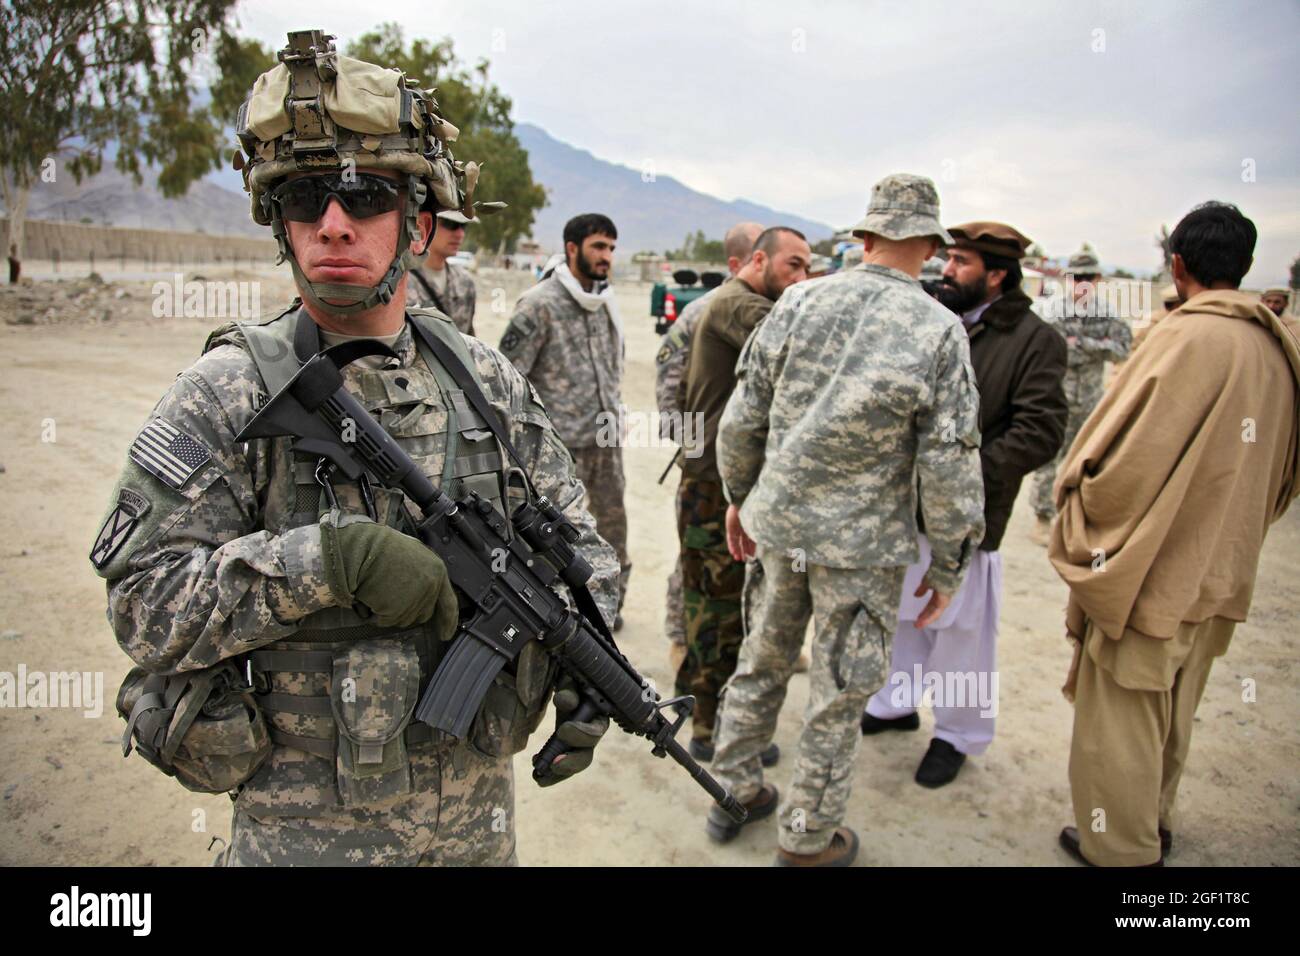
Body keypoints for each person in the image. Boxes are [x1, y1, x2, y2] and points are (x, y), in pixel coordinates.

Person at [90, 31, 618, 866]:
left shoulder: (486, 380)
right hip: (303, 837)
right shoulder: (228, 390)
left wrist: (590, 656)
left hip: (474, 833)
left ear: (415, 224)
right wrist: (327, 562)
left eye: (365, 197)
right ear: (280, 224)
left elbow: (585, 549)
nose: (334, 225)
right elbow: (143, 607)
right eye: (305, 200)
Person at [703, 174, 985, 866]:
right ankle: (806, 835)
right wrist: (950, 564)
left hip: (783, 528)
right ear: (929, 245)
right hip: (861, 551)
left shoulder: (798, 301)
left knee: (761, 661)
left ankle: (733, 789)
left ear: (864, 238)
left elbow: (743, 418)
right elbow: (949, 463)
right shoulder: (939, 330)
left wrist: (742, 497)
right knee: (837, 690)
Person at [1049, 202, 1299, 866]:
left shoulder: (1184, 338)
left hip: (1153, 575)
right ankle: (1153, 822)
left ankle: (1122, 849)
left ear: (1178, 265)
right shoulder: (1276, 344)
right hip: (1220, 568)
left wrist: (1082, 513)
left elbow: (1116, 468)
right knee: (1177, 704)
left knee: (1124, 718)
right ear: (1244, 268)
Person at [861, 222, 1067, 787]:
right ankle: (892, 704)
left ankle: (954, 734)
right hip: (906, 510)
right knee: (901, 620)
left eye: (961, 263)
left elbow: (1040, 431)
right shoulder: (934, 319)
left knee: (960, 636)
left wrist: (958, 476)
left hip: (970, 519)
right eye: (947, 260)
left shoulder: (1033, 338)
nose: (946, 271)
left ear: (997, 275)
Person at [677, 226, 811, 762]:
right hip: (714, 485)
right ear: (758, 260)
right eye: (793, 266)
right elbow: (801, 350)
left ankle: (700, 709)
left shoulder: (740, 300)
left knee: (706, 603)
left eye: (807, 268)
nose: (800, 278)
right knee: (722, 609)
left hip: (711, 481)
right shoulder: (740, 304)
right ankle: (712, 730)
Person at [499, 214, 631, 625]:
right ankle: (560, 614)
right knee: (558, 534)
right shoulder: (539, 305)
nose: (606, 256)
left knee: (613, 526)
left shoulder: (606, 303)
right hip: (557, 449)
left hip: (604, 440)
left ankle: (611, 608)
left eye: (611, 247)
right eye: (598, 246)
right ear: (572, 248)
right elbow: (506, 378)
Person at [656, 222, 763, 668]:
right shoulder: (706, 309)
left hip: (742, 458)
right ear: (738, 263)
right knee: (698, 552)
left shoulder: (762, 307)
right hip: (706, 456)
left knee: (742, 559)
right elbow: (668, 369)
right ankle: (682, 635)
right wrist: (689, 438)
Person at [1028, 247, 1131, 545]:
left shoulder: (1107, 312)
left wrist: (1082, 343)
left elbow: (1122, 349)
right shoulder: (1050, 311)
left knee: (1088, 460)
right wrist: (1096, 344)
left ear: (1097, 278)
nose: (1081, 282)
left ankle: (1078, 519)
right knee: (1048, 457)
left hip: (1089, 399)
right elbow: (1045, 350)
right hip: (1055, 397)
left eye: (1087, 277)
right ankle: (1043, 518)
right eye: (1076, 277)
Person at [405, 209, 479, 334]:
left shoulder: (465, 282)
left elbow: (470, 338)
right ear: (425, 226)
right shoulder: (400, 281)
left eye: (463, 226)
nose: (460, 234)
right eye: (451, 224)